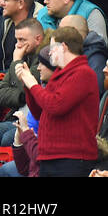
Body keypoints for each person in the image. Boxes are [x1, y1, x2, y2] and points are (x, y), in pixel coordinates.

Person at [14, 27, 100, 176]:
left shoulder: (83, 73)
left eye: (52, 48)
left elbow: (55, 105)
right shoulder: (59, 75)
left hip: (72, 159)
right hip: (51, 156)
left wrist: (33, 84)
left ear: (64, 47)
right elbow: (40, 112)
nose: (49, 53)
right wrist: (27, 84)